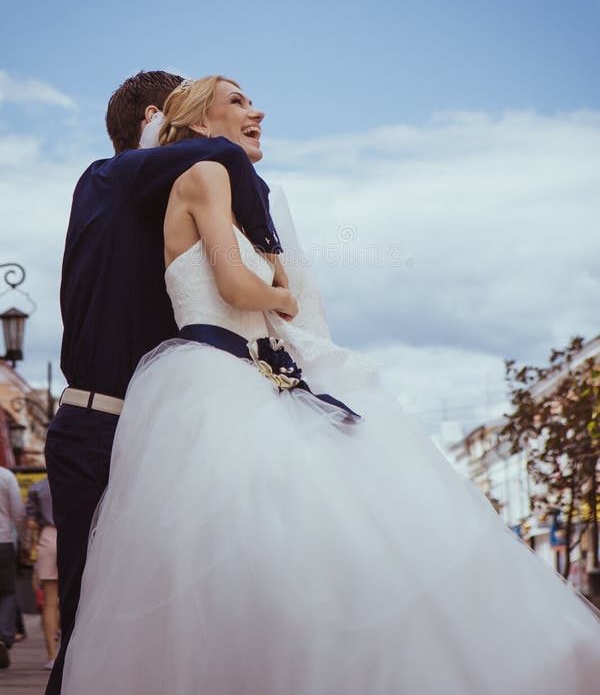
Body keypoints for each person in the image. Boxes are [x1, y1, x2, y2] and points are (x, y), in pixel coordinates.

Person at [63, 76, 600, 694]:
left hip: (243, 378)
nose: (254, 110)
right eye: (235, 100)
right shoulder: (138, 178)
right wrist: (278, 288)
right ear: (174, 120)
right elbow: (245, 288)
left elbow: (277, 303)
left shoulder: (231, 190)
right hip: (186, 389)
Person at [45, 71, 283, 695]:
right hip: (105, 429)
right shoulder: (109, 178)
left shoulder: (180, 202)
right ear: (157, 119)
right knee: (92, 633)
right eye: (186, 112)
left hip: (173, 435)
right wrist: (267, 233)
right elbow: (225, 152)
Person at [25, 477, 59, 669]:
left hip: (47, 537)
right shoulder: (73, 480)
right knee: (71, 597)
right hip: (70, 535)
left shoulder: (38, 487)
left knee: (49, 603)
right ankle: (66, 652)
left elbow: (30, 523)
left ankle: (52, 656)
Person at [0, 465, 25, 670]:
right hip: (3, 542)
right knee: (7, 592)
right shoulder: (6, 476)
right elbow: (18, 513)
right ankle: (4, 636)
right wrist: (25, 542)